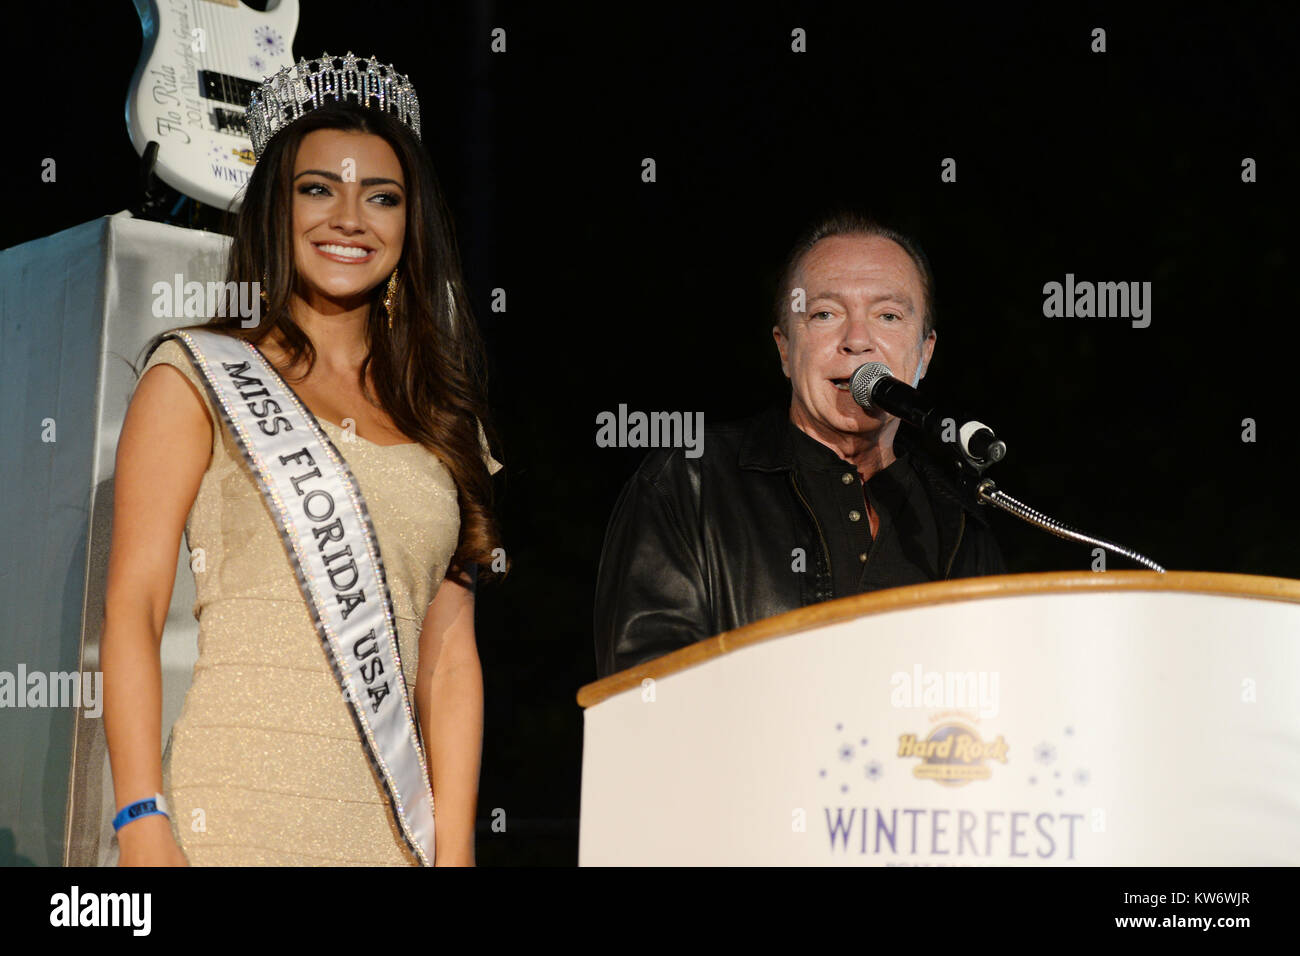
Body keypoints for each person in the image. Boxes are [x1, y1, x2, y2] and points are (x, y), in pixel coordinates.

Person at [102, 54, 503, 866]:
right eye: (318, 188)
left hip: (392, 831)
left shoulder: (443, 416)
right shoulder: (196, 373)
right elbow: (133, 610)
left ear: (409, 221)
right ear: (274, 209)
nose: (350, 217)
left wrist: (456, 852)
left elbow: (450, 660)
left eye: (381, 197)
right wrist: (142, 820)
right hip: (234, 813)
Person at [593, 213, 1005, 678]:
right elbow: (643, 698)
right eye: (825, 314)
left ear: (924, 353)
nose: (857, 341)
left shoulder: (960, 519)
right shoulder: (688, 485)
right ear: (785, 349)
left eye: (887, 315)